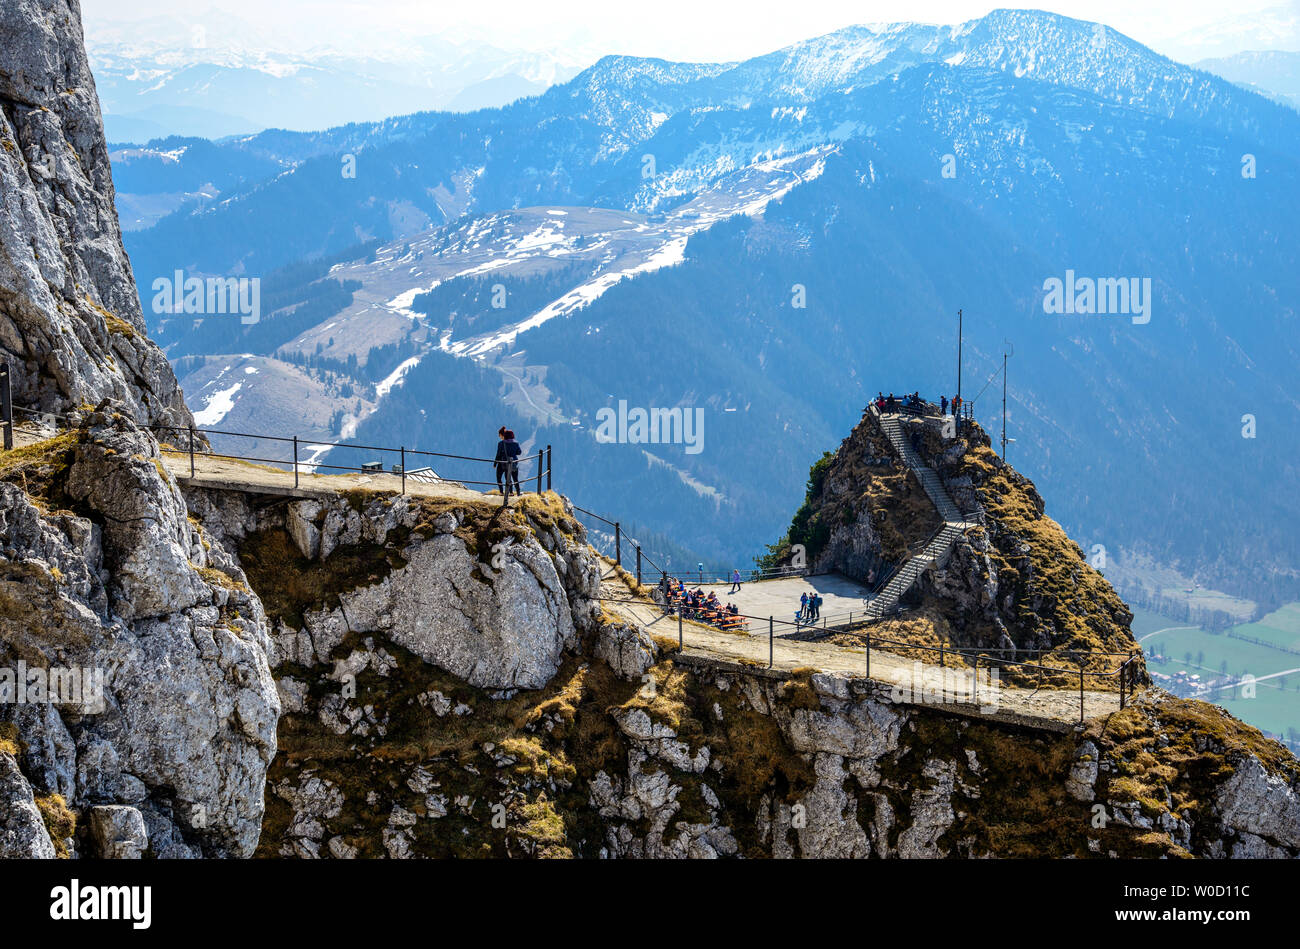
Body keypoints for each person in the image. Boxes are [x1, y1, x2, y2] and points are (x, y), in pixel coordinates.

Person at [503, 428, 523, 494]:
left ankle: (510, 492)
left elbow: (502, 452)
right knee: (515, 478)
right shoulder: (516, 443)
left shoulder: (503, 443)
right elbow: (519, 452)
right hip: (514, 462)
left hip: (506, 462)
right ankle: (518, 492)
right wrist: (514, 453)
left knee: (508, 479)